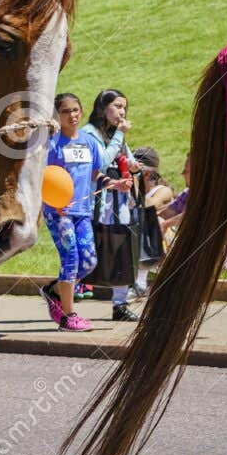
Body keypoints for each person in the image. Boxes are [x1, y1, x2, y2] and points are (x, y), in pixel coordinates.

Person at [40, 92, 132, 331]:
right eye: (65, 111)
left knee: (89, 261)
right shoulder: (51, 144)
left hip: (82, 210)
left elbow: (94, 173)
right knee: (70, 260)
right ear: (56, 116)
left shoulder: (88, 142)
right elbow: (41, 178)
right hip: (58, 212)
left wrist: (112, 183)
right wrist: (53, 201)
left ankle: (53, 291)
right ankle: (68, 316)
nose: (72, 115)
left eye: (75, 110)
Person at [81, 88, 144, 321]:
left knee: (122, 251)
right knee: (89, 253)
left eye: (124, 107)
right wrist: (119, 134)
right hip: (99, 204)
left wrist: (137, 166)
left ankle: (119, 304)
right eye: (117, 106)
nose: (122, 111)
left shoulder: (115, 133)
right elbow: (102, 161)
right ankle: (60, 292)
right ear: (102, 107)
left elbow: (127, 158)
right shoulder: (89, 134)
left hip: (120, 203)